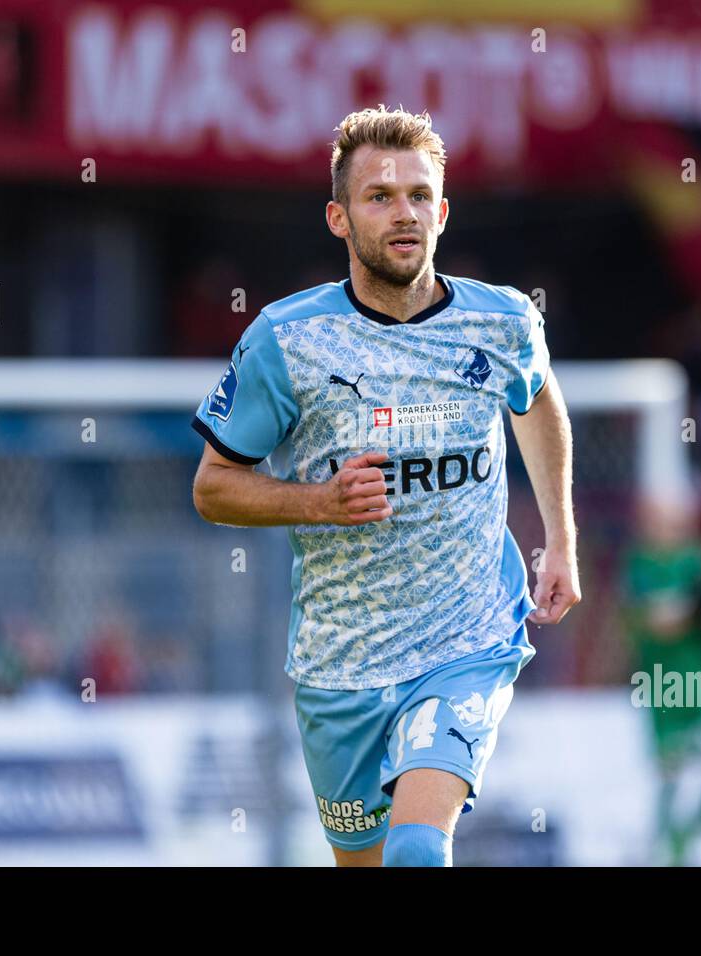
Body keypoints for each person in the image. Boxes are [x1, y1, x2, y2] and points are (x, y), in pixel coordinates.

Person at [190, 106, 580, 866]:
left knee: (414, 851)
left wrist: (560, 539)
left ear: (442, 210)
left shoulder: (500, 322)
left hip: (466, 638)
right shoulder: (285, 340)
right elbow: (213, 488)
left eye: (417, 194)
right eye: (379, 196)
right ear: (339, 218)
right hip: (340, 663)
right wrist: (319, 503)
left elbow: (536, 400)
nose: (403, 212)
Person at [620, 496, 701, 865]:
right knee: (668, 767)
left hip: (695, 675)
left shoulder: (699, 560)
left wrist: (675, 613)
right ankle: (666, 851)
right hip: (659, 679)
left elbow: (700, 613)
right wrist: (675, 613)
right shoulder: (640, 563)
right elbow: (654, 621)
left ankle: (685, 839)